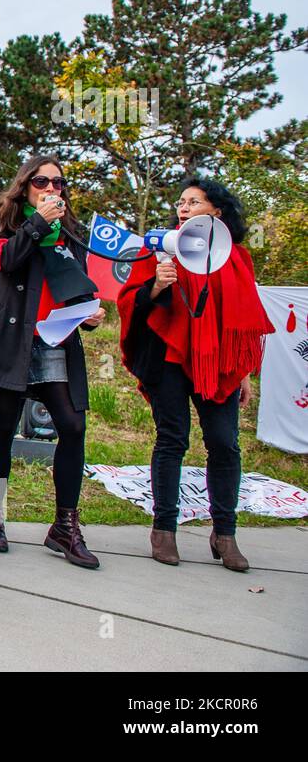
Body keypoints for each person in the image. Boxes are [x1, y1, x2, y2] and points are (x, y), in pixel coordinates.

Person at [0, 155, 106, 569]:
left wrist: (88, 313)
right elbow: (5, 261)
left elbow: (75, 285)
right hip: (10, 339)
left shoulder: (72, 234)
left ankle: (65, 527)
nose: (52, 188)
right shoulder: (3, 223)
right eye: (42, 181)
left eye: (58, 183)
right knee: (2, 429)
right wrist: (38, 222)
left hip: (55, 339)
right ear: (25, 186)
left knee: (73, 426)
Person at [117, 177, 272, 571]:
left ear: (216, 212)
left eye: (194, 202)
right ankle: (163, 529)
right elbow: (128, 300)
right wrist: (155, 286)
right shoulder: (159, 250)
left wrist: (243, 375)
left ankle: (225, 533)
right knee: (173, 439)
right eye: (181, 202)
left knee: (225, 444)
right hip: (168, 357)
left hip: (218, 362)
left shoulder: (236, 257)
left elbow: (242, 321)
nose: (183, 208)